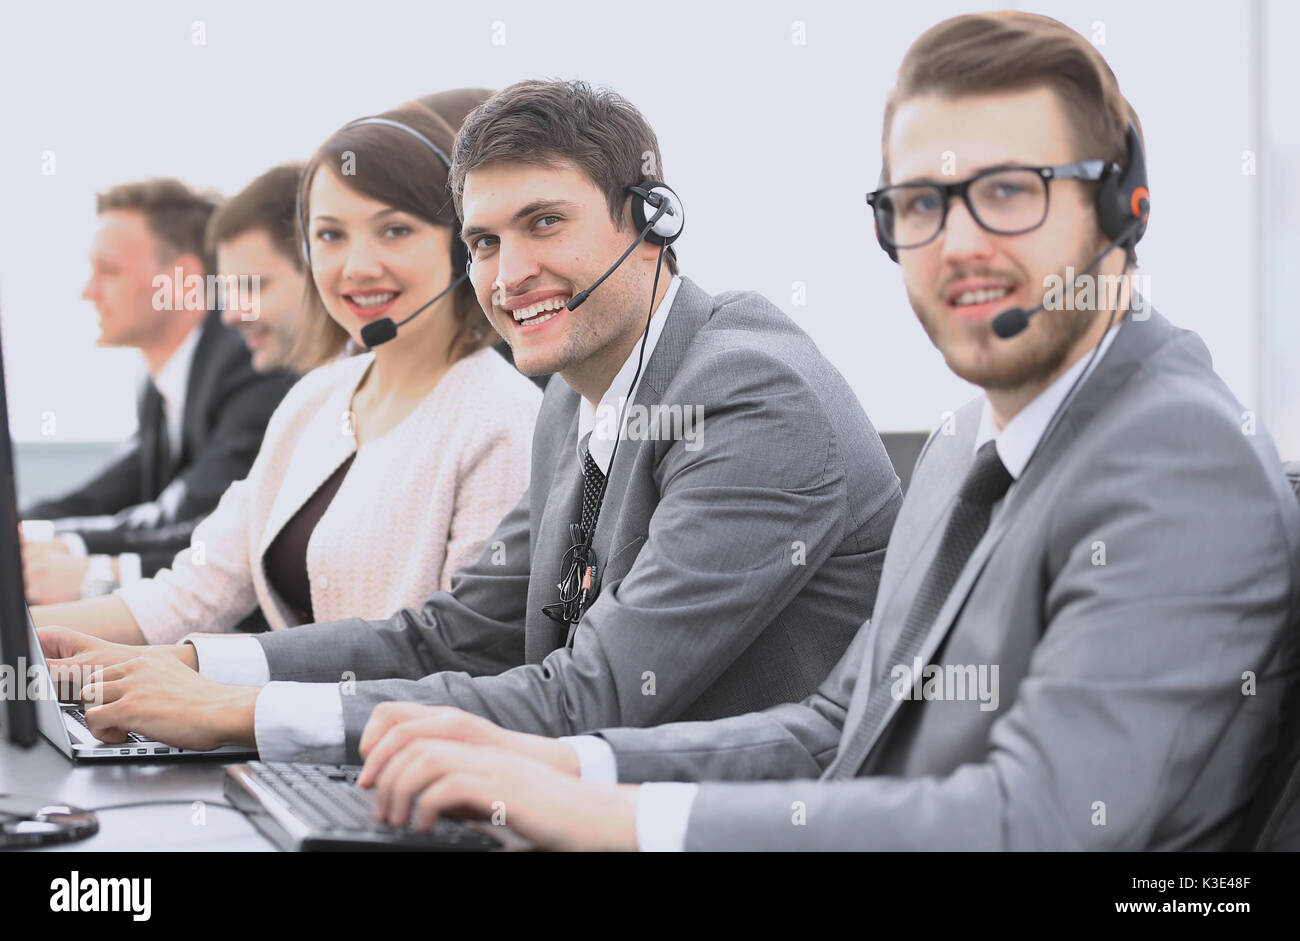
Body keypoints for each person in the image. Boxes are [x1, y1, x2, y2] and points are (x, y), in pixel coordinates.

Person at [344, 13, 1300, 851]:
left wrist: (615, 821)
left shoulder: (1179, 455)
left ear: (1123, 204)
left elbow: (1039, 822)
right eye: (921, 203)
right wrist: (565, 769)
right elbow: (835, 728)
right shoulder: (968, 438)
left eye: (1011, 190)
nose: (958, 242)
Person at [45, 79, 903, 762]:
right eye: (485, 242)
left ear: (653, 223)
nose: (510, 272)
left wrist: (241, 712)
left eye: (545, 223)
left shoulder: (751, 395)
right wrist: (190, 665)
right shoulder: (575, 396)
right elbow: (457, 634)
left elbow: (590, 694)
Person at [33, 90, 541, 655]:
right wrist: (22, 639)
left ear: (459, 245)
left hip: (381, 736)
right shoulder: (314, 401)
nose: (357, 266)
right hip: (271, 729)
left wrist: (207, 678)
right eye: (330, 235)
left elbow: (456, 653)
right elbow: (193, 591)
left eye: (394, 230)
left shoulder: (503, 419)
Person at [21, 179, 297, 603]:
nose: (87, 291)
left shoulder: (251, 361)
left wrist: (70, 549)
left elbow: (194, 513)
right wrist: (26, 528)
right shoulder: (161, 379)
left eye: (108, 270)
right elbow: (112, 489)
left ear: (183, 281)